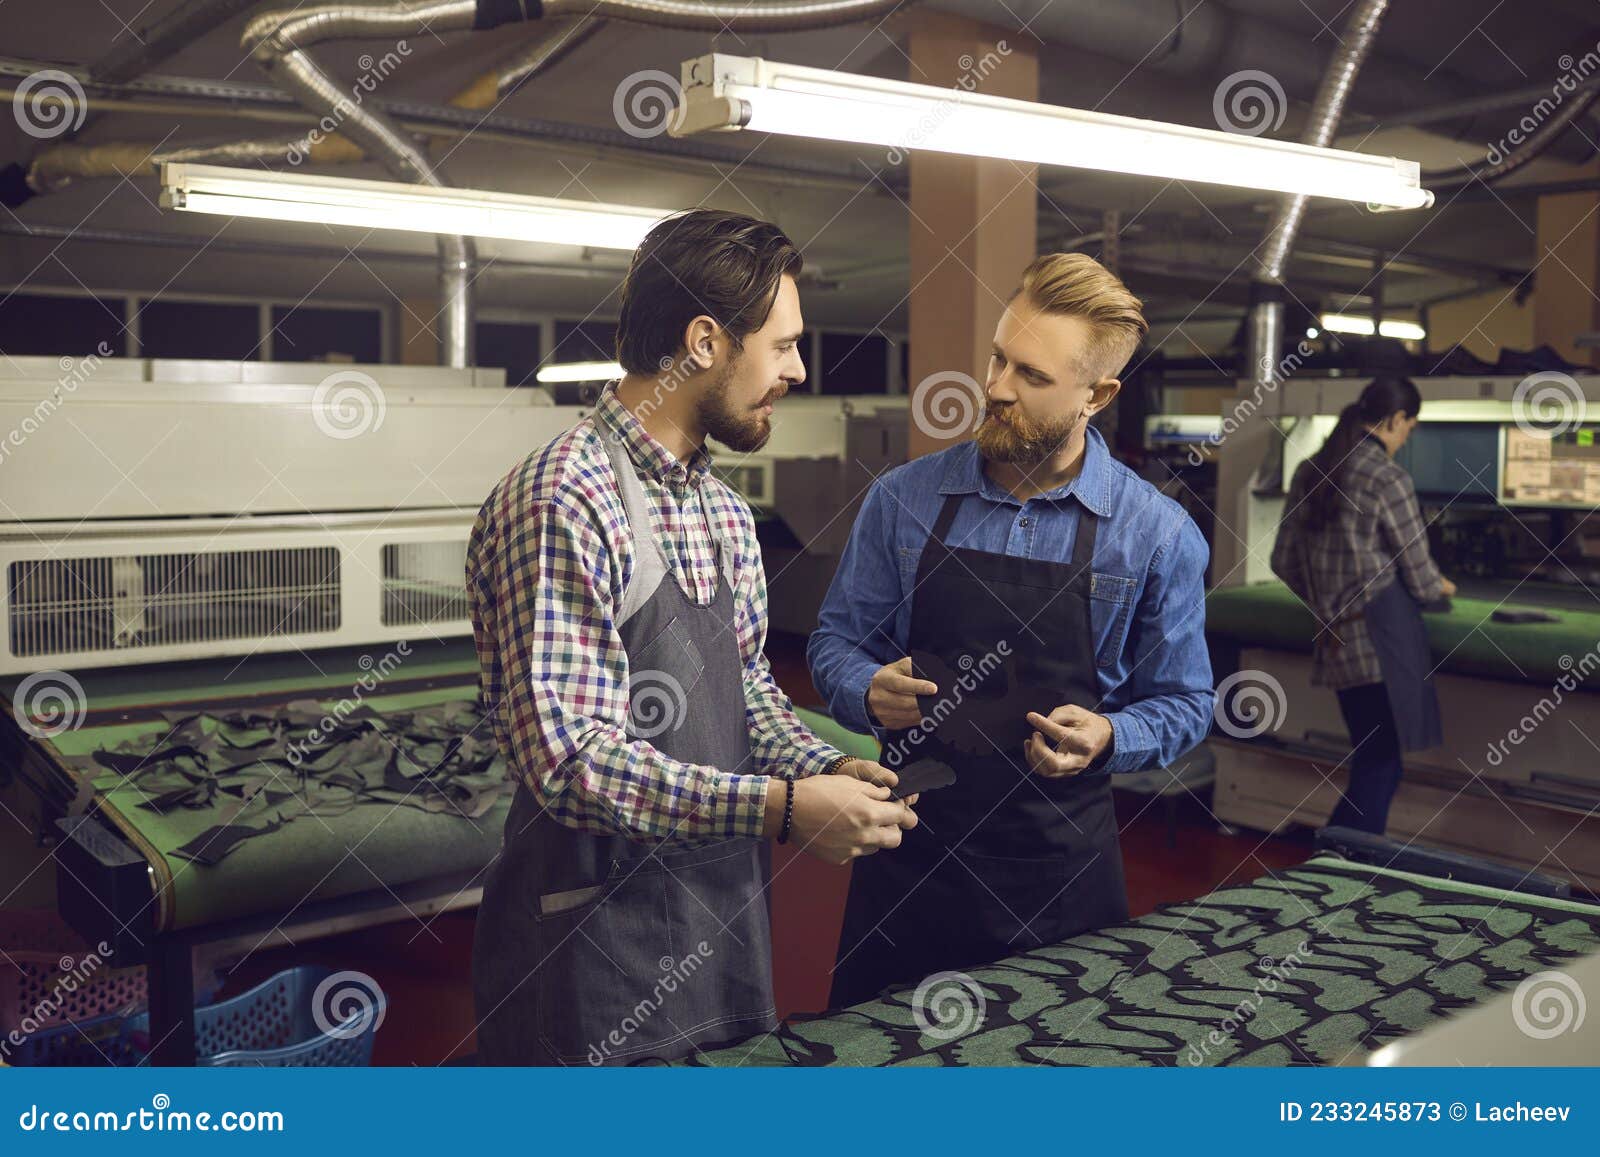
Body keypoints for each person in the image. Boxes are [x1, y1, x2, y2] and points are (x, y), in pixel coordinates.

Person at [468, 208, 918, 1065]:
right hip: (592, 946)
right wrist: (784, 809)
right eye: (782, 344)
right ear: (706, 342)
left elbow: (745, 688)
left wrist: (819, 765)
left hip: (721, 924)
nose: (798, 368)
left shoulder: (717, 506)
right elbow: (572, 763)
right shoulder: (564, 497)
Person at [807, 252, 1215, 1008]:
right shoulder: (903, 501)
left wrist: (1110, 736)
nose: (994, 386)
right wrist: (863, 687)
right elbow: (832, 641)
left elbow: (1188, 702)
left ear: (1098, 394)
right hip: (908, 871)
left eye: (1031, 375)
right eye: (998, 357)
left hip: (1060, 885)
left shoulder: (1154, 535)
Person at [1271, 375, 1455, 835]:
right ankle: (1337, 861)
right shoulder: (1387, 477)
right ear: (1395, 419)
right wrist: (1441, 588)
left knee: (1371, 757)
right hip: (1380, 639)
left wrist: (1325, 598)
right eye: (1409, 427)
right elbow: (1418, 571)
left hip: (1335, 638)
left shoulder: (1311, 470)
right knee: (1382, 764)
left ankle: (1333, 856)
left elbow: (1282, 561)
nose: (1406, 438)